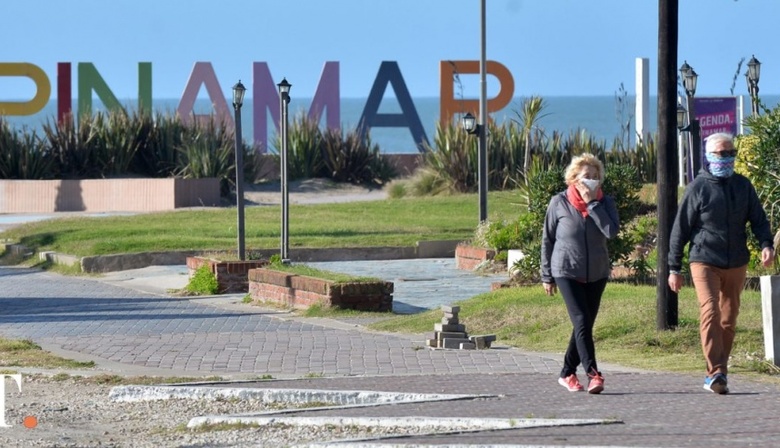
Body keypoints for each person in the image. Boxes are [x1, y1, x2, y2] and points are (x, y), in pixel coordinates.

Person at [668, 132, 774, 395]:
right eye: (721, 154)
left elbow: (759, 220)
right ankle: (714, 370)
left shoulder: (743, 185)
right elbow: (680, 229)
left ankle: (719, 373)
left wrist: (766, 245)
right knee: (711, 311)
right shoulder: (698, 188)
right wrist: (674, 267)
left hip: (736, 260)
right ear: (708, 156)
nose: (726, 158)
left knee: (729, 318)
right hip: (704, 259)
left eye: (730, 154)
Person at [542, 153, 620, 394]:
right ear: (574, 178)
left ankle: (566, 373)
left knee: (583, 326)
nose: (592, 181)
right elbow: (548, 238)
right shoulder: (559, 202)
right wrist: (547, 275)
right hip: (566, 270)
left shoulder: (605, 202)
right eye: (587, 176)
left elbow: (611, 231)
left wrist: (592, 204)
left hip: (596, 273)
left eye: (596, 177)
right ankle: (594, 374)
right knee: (582, 321)